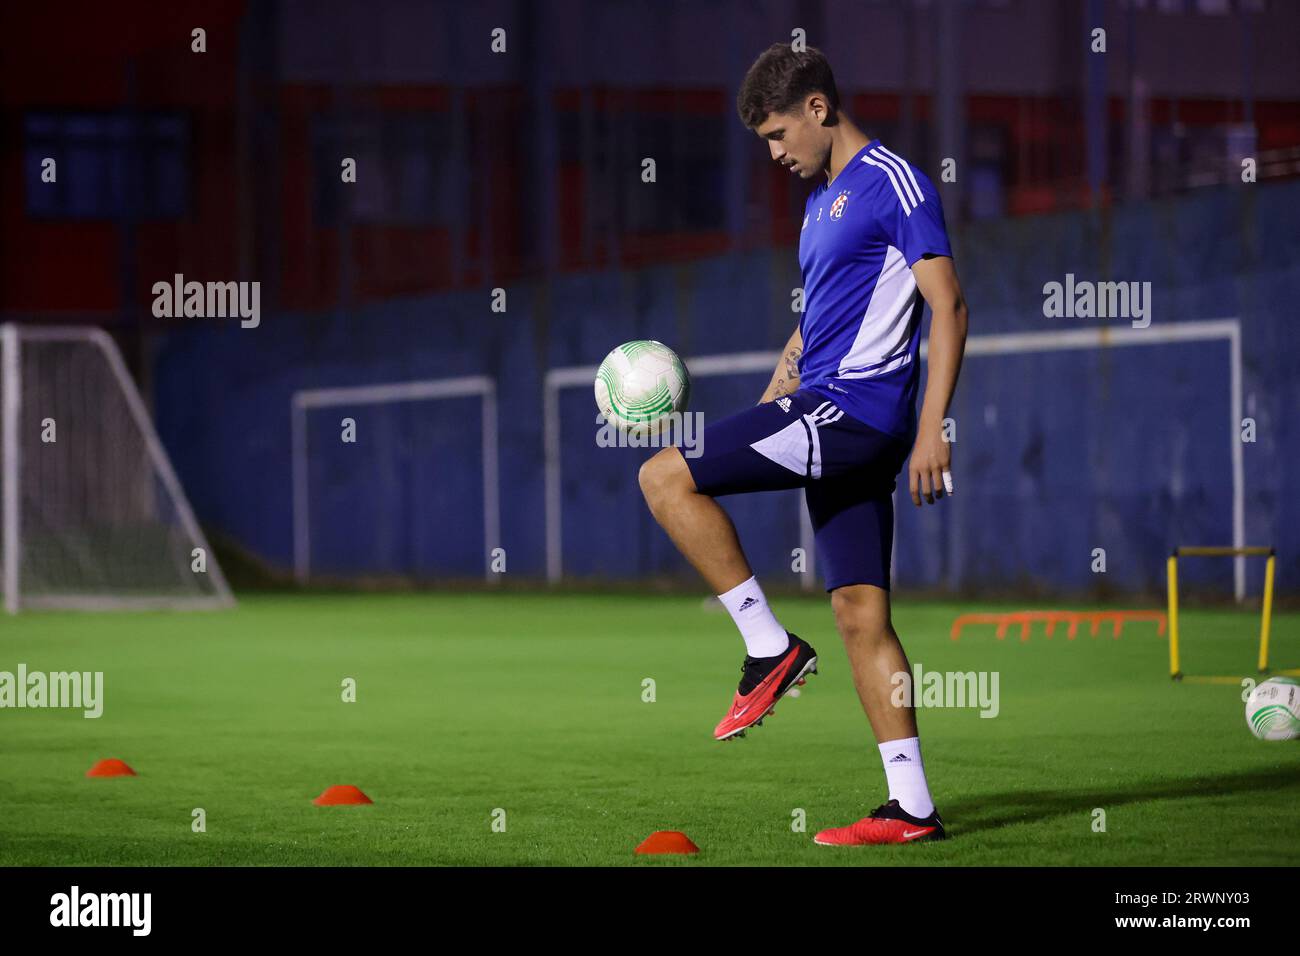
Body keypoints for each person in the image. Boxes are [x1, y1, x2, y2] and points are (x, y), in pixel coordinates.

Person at [637, 42, 969, 846]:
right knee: (862, 613)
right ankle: (911, 808)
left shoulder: (894, 182)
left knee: (663, 476)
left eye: (781, 135)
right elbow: (815, 322)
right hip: (821, 406)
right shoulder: (821, 203)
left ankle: (769, 649)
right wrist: (770, 401)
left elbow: (949, 303)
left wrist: (932, 431)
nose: (776, 154)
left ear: (819, 109)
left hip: (858, 415)